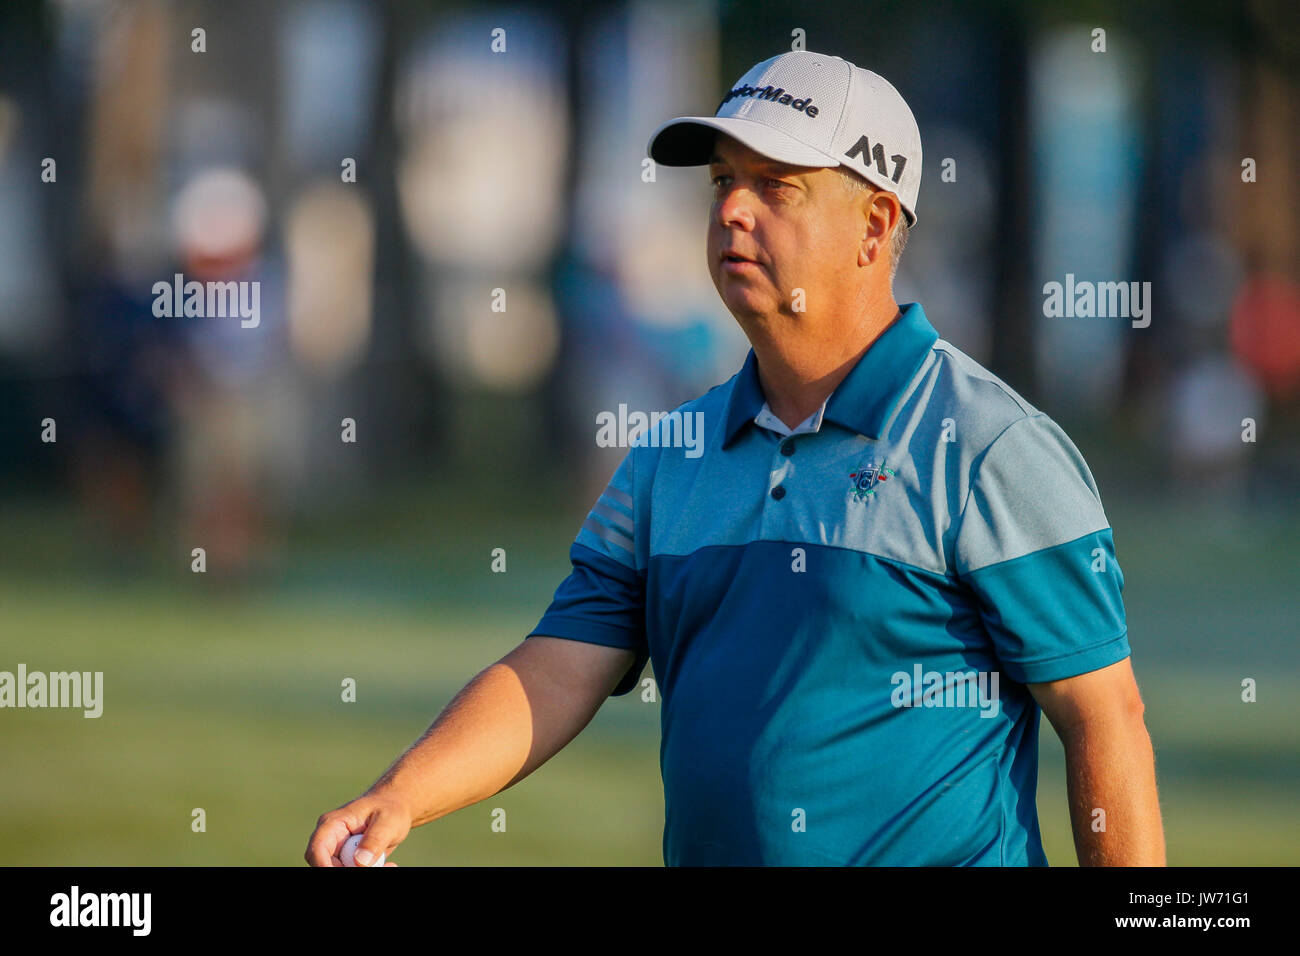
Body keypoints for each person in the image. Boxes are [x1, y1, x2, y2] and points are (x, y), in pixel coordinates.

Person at [306, 50, 1164, 867]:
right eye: (722, 182)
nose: (730, 213)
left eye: (775, 186)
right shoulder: (673, 454)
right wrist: (403, 795)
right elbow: (561, 665)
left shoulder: (990, 446)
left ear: (875, 225)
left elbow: (1104, 719)